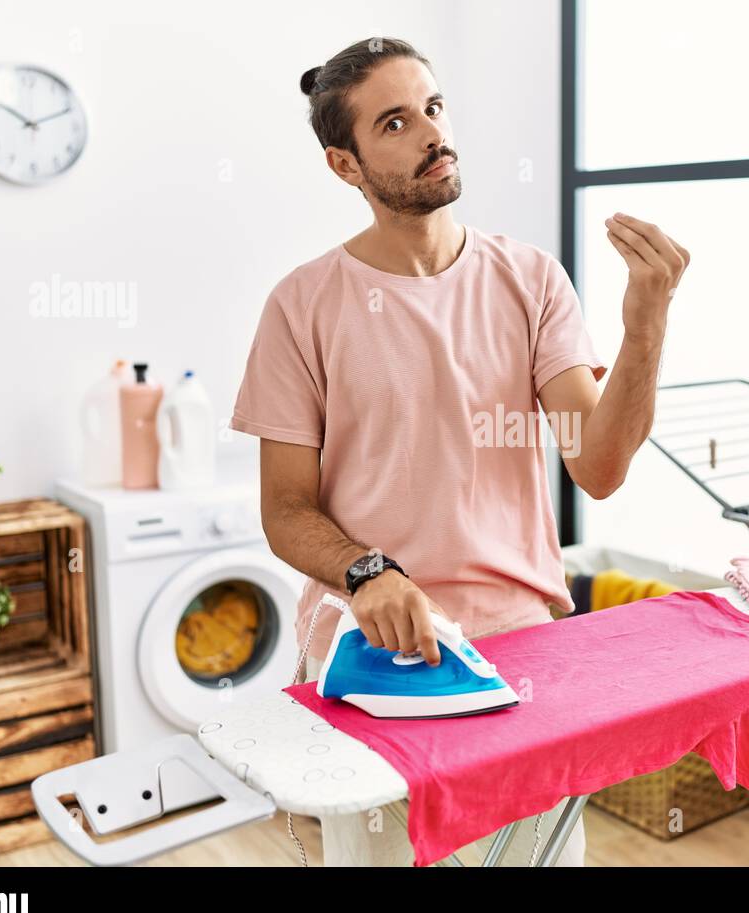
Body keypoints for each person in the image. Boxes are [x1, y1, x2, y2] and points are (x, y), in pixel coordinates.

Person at [228, 36, 688, 866]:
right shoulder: (301, 307)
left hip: (523, 654)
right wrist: (369, 572)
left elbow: (599, 465)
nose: (431, 134)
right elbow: (286, 509)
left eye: (433, 109)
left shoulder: (531, 279)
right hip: (374, 662)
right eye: (396, 123)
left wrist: (645, 322)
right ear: (346, 165)